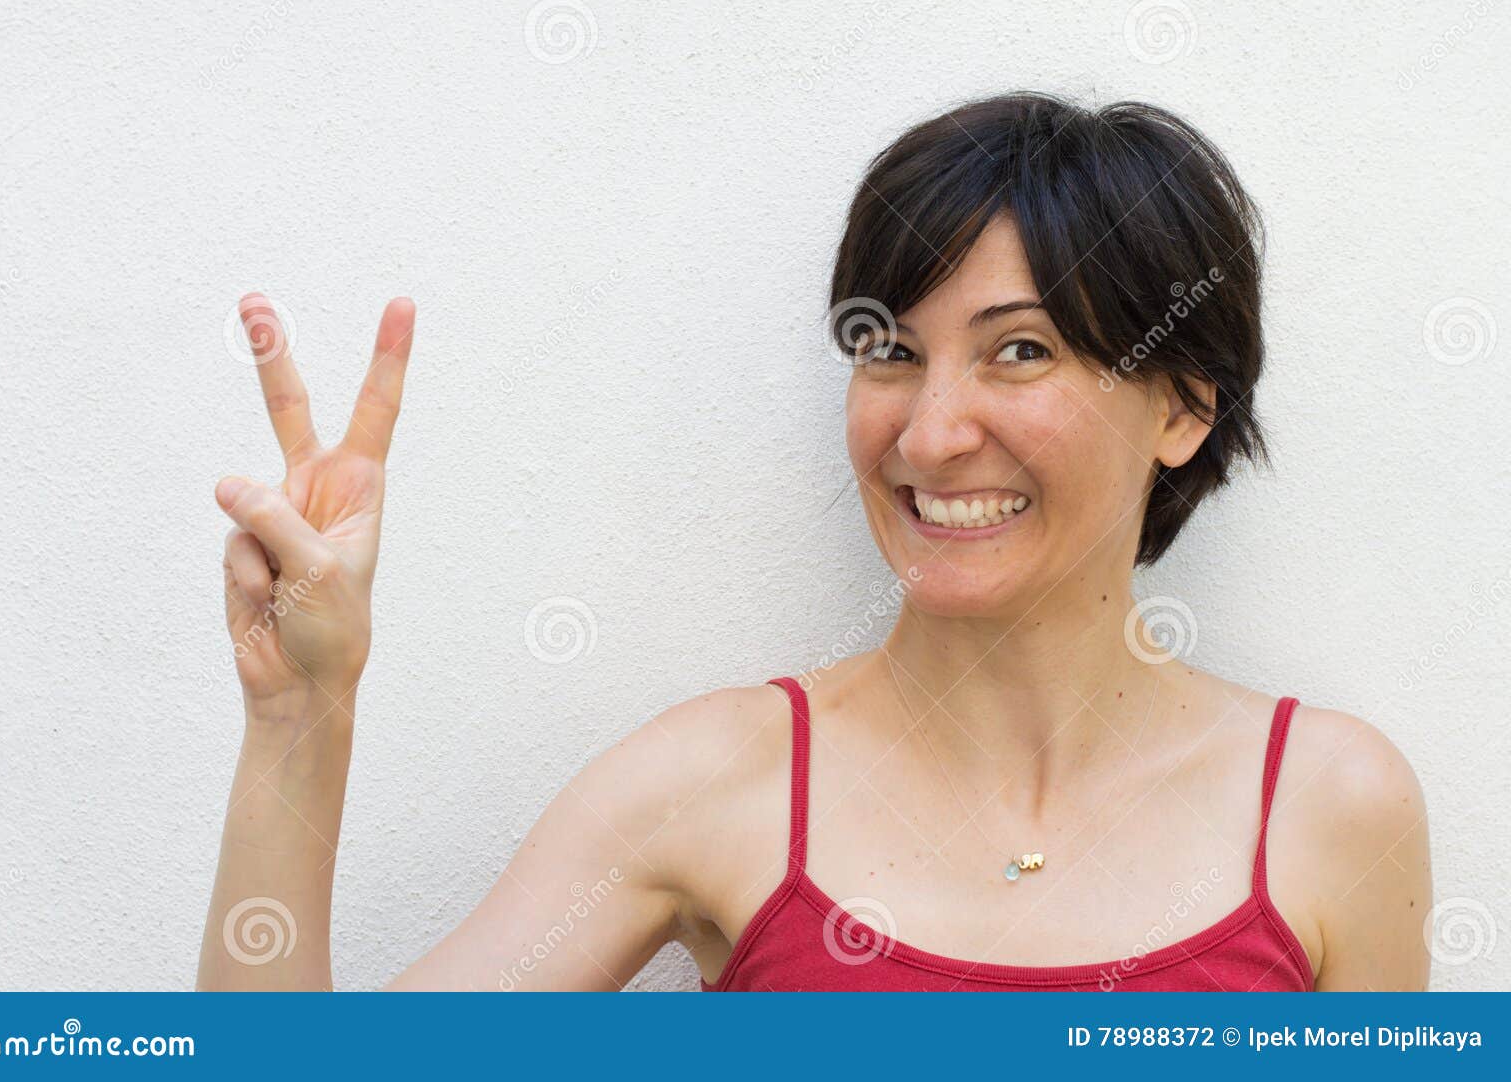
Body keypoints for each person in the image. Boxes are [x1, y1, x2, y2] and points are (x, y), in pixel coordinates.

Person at [195, 92, 1431, 992]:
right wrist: (302, 717)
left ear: (1181, 407)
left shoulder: (1331, 806)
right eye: (890, 350)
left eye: (1020, 349)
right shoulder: (704, 782)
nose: (931, 431)